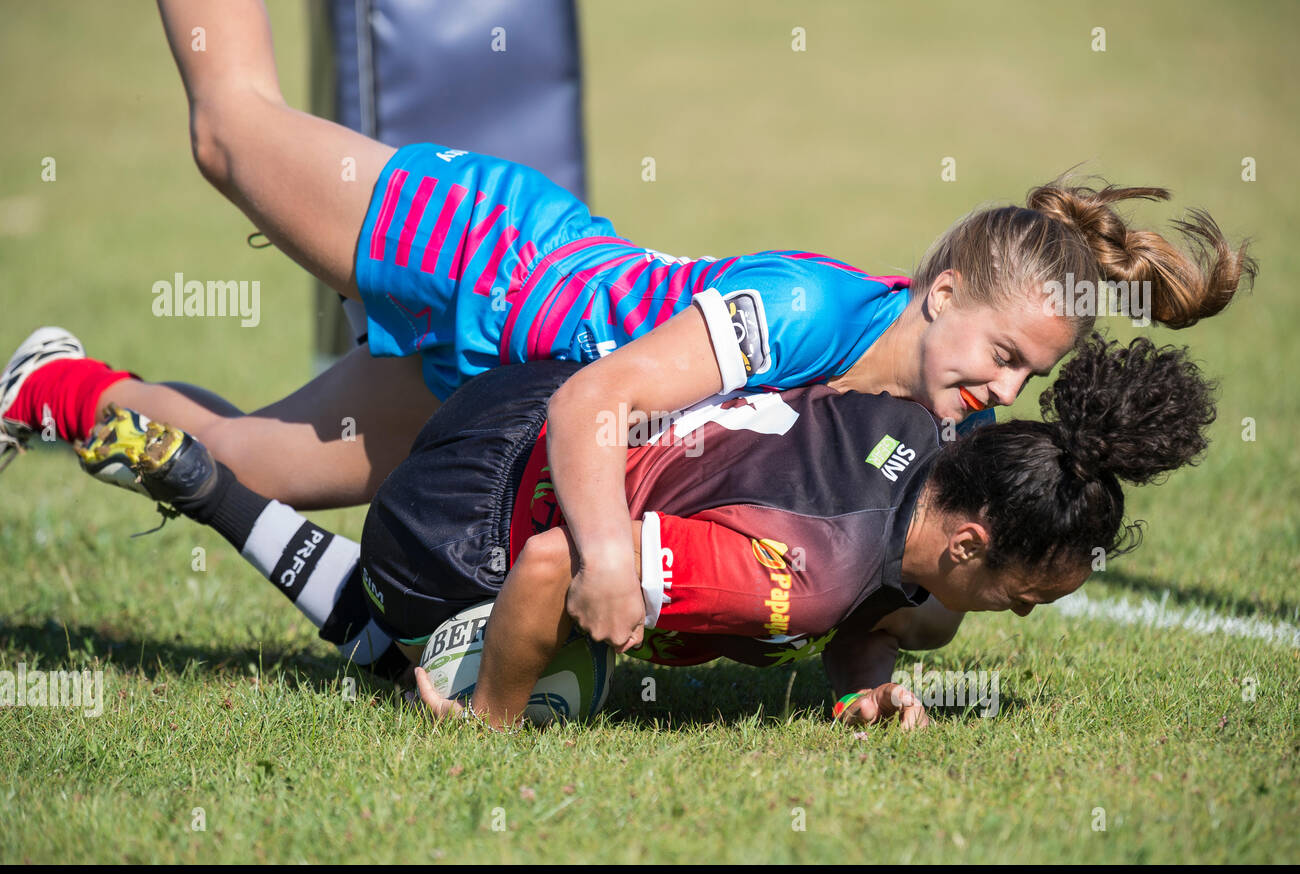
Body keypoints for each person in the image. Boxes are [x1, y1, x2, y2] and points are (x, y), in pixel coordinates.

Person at [0, 0, 1255, 656]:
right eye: (995, 355)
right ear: (937, 295)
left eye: (1022, 378)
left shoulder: (901, 418)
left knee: (251, 464)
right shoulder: (813, 311)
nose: (993, 391)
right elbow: (592, 405)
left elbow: (880, 564)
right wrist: (605, 557)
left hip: (498, 408)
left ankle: (46, 387)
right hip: (485, 259)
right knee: (230, 127)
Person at [71, 333, 1216, 731]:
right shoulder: (793, 582)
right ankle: (217, 495)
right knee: (525, 684)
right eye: (1029, 594)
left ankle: (182, 459)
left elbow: (885, 593)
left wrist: (864, 674)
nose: (1023, 615)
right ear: (968, 544)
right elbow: (557, 562)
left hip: (539, 400)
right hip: (462, 531)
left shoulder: (921, 426)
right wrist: (493, 724)